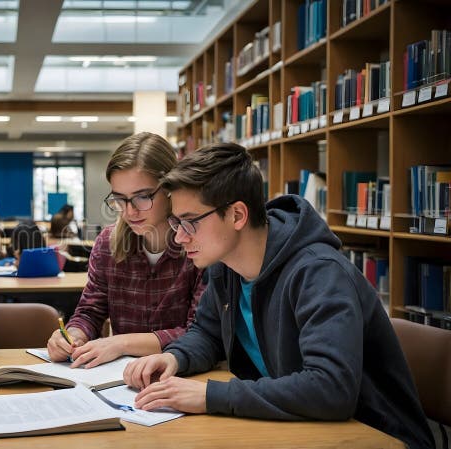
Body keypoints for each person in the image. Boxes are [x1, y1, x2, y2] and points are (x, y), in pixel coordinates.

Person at [123, 142, 433, 449]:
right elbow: (207, 332)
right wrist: (174, 357)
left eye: (190, 222)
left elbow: (331, 388)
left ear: (237, 215)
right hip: (303, 426)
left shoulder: (319, 273)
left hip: (374, 434)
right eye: (176, 222)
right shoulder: (225, 265)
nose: (179, 236)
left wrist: (210, 396)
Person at [46, 132, 205, 368]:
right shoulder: (107, 244)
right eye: (119, 199)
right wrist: (73, 334)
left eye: (142, 197)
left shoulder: (200, 246)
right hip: (119, 380)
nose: (129, 212)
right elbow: (90, 311)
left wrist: (121, 344)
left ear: (171, 189)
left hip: (183, 375)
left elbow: (199, 333)